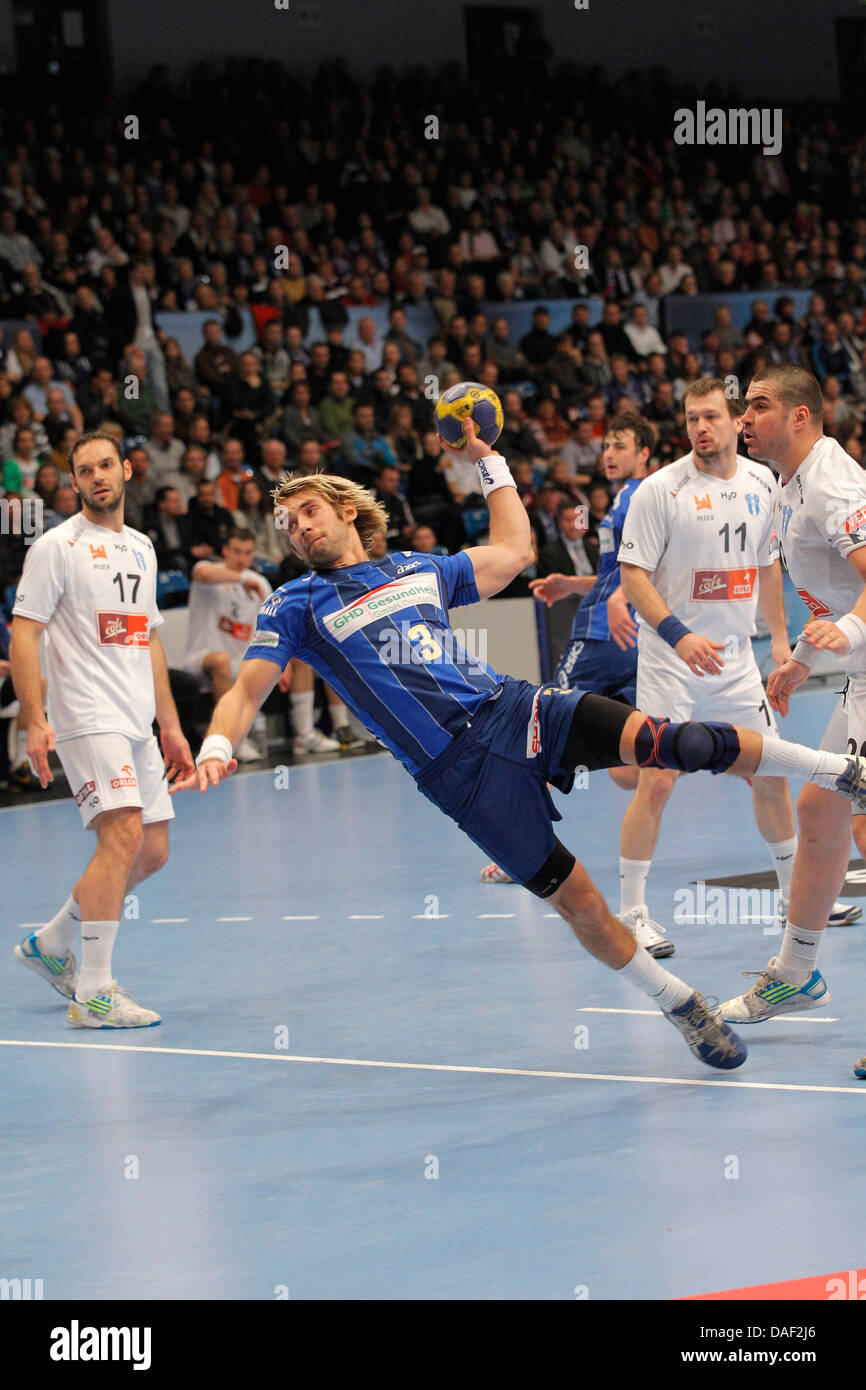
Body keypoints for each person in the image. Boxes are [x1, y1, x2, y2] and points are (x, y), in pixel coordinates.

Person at [173, 421, 866, 1075]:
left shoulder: (418, 568)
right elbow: (243, 692)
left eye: (306, 513)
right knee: (580, 902)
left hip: (515, 707)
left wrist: (486, 458)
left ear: (346, 513)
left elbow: (512, 551)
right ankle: (681, 1004)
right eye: (286, 524)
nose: (296, 529)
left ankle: (845, 770)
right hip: (459, 777)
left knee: (663, 740)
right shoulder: (294, 604)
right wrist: (215, 746)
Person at [9, 430, 194, 1027]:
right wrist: (36, 721)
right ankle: (93, 992)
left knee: (154, 849)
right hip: (87, 716)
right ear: (73, 482)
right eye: (84, 470)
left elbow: (148, 639)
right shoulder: (57, 547)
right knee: (121, 838)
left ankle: (52, 943)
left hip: (136, 716)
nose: (97, 476)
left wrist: (170, 725)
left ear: (128, 470)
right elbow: (25, 634)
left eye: (106, 465)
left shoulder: (142, 546)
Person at [717, 367, 866, 1071]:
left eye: (760, 405)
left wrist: (853, 635)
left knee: (855, 814)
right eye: (744, 406)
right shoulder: (790, 484)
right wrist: (805, 657)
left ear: (802, 416)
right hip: (861, 677)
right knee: (822, 808)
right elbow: (832, 594)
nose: (745, 417)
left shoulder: (833, 484)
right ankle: (797, 971)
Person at [181, 528, 271, 763]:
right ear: (225, 551)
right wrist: (242, 579)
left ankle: (306, 734)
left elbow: (272, 626)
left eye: (248, 553)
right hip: (201, 660)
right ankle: (232, 741)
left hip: (242, 663)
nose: (242, 558)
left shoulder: (260, 582)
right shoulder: (207, 571)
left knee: (300, 659)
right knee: (220, 660)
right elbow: (202, 574)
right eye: (237, 551)